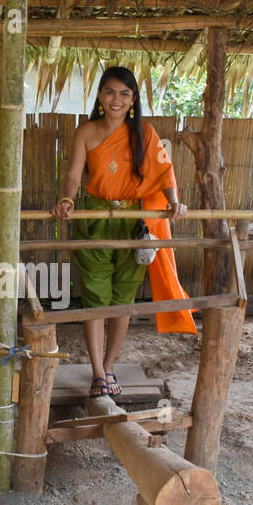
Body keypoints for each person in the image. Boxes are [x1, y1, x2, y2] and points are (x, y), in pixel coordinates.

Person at [52, 66, 196, 398]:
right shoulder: (86, 132)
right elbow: (74, 175)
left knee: (123, 299)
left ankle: (111, 364)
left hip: (135, 221)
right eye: (110, 92)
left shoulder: (145, 132)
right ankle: (99, 374)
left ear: (133, 101)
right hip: (94, 217)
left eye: (125, 94)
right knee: (96, 297)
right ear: (100, 96)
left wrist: (175, 202)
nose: (116, 100)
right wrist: (66, 199)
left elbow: (164, 172)